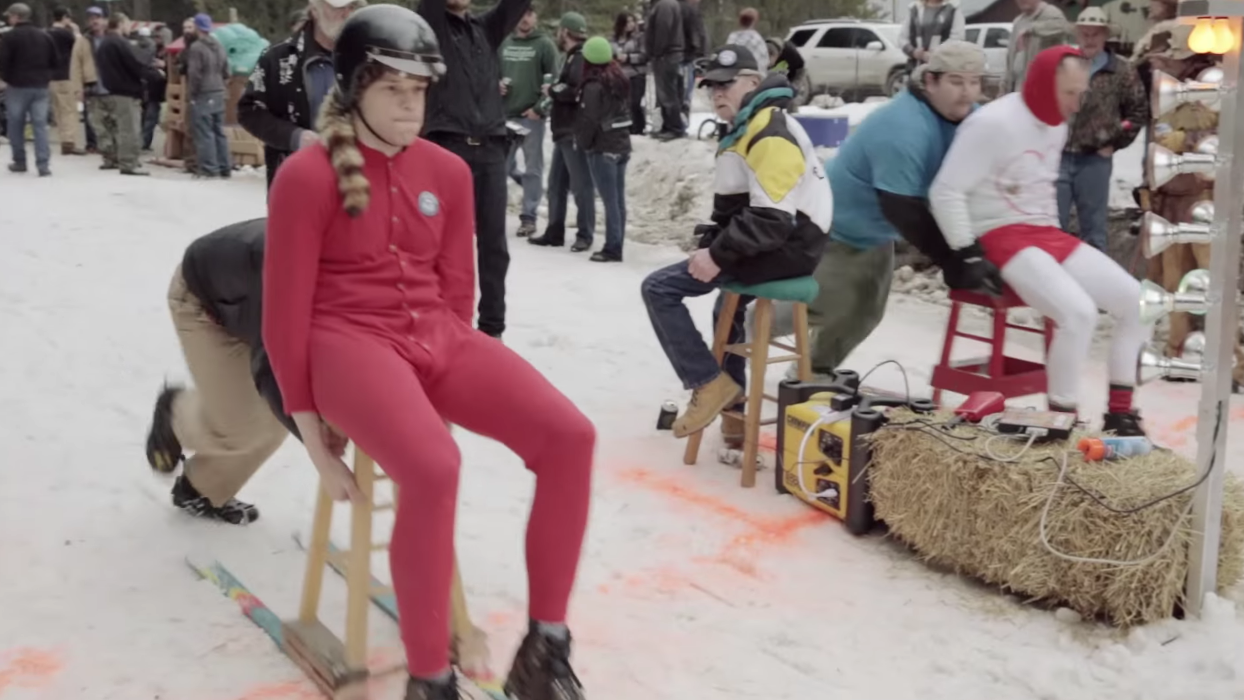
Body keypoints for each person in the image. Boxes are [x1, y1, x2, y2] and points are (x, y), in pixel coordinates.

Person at [261, 6, 594, 699]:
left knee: (571, 436)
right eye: (393, 91)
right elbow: (285, 314)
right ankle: (429, 678)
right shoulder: (309, 175)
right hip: (344, 340)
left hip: (432, 334)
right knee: (437, 468)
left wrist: (444, 379)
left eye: (419, 92)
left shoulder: (446, 170)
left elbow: (457, 291)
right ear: (355, 88)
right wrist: (314, 436)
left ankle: (547, 644)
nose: (411, 107)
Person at [142, 223, 497, 680]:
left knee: (269, 418)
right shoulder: (297, 270)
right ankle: (177, 415)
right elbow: (274, 366)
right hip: (209, 304)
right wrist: (320, 439)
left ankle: (200, 488)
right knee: (249, 423)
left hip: (252, 302)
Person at [929, 46, 1150, 435]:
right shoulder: (993, 124)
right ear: (1044, 85)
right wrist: (967, 252)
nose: (1077, 103)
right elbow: (945, 192)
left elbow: (1041, 187)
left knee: (1137, 302)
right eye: (1069, 92)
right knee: (1078, 313)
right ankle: (1059, 420)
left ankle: (1120, 414)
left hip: (1043, 230)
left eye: (1082, 93)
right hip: (996, 231)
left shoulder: (1057, 123)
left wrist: (1057, 243)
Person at [640, 46, 832, 438]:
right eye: (712, 87)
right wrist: (712, 241)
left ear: (753, 83)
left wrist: (717, 254)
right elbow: (738, 210)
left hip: (790, 247)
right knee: (725, 304)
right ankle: (733, 415)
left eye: (727, 84)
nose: (717, 93)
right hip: (782, 242)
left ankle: (709, 385)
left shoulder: (768, 130)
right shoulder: (747, 128)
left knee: (658, 288)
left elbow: (771, 219)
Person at [805, 41, 992, 379]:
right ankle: (741, 324)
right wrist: (952, 260)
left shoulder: (972, 119)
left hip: (875, 230)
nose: (967, 94)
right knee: (823, 306)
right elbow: (903, 208)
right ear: (931, 81)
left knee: (863, 314)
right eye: (956, 82)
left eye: (974, 82)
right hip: (833, 223)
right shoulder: (903, 126)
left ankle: (813, 371)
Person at [416, 0, 531, 341]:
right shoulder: (430, 27)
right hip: (448, 146)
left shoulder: (485, 28)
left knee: (495, 247)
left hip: (493, 148)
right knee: (445, 244)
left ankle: (492, 330)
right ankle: (446, 324)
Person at [1133, 21, 1222, 363]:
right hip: (1168, 198)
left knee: (1215, 282)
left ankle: (1235, 364)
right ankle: (1178, 351)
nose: (1156, 63)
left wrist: (1185, 143)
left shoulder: (1214, 86)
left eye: (1164, 58)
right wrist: (1147, 185)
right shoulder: (1165, 88)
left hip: (1204, 198)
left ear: (1183, 57)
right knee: (1173, 284)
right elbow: (1155, 142)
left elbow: (1223, 137)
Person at [237, 0, 364, 190]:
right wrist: (295, 137)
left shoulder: (368, 59)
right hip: (296, 183)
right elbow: (249, 111)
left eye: (352, 7)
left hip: (358, 185)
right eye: (338, 7)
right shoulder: (278, 59)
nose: (346, 13)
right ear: (314, 8)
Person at [1055, 8, 1145, 252]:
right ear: (1077, 34)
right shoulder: (1062, 64)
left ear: (1105, 35)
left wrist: (1114, 142)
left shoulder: (1122, 70)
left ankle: (1096, 286)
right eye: (1084, 33)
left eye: (1095, 33)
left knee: (1093, 230)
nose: (1089, 39)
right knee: (1052, 227)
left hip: (1094, 160)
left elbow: (1137, 112)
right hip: (1058, 157)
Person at [528, 13, 596, 252]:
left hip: (573, 131)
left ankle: (585, 233)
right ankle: (554, 230)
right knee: (556, 184)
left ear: (565, 32)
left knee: (581, 185)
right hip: (563, 132)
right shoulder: (571, 57)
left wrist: (552, 90)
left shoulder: (578, 58)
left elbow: (574, 89)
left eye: (559, 31)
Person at [500, 6, 559, 238]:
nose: (524, 19)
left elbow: (554, 80)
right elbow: (489, 71)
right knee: (500, 168)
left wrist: (539, 109)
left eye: (529, 14)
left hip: (530, 117)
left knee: (533, 167)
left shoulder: (544, 44)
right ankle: (493, 215)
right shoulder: (503, 42)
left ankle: (529, 217)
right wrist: (495, 84)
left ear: (535, 17)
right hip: (504, 116)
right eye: (520, 14)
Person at [576, 36, 632, 263]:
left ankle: (613, 247)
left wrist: (584, 143)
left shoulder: (592, 86)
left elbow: (589, 119)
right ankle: (617, 241)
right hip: (621, 144)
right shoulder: (619, 79)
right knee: (618, 200)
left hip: (603, 147)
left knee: (610, 201)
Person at [92, 12, 155, 175]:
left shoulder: (105, 43)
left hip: (112, 88)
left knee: (115, 127)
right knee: (130, 129)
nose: (129, 28)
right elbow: (136, 63)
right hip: (126, 90)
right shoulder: (120, 43)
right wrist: (151, 69)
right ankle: (128, 163)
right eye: (127, 24)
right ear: (120, 24)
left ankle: (117, 157)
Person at [0, 2, 59, 176]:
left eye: (10, 16)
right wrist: (46, 77)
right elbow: (55, 61)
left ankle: (20, 161)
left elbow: (3, 62)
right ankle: (43, 164)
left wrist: (5, 79)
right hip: (40, 86)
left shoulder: (10, 38)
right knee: (40, 125)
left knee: (15, 125)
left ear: (16, 17)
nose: (9, 19)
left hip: (17, 86)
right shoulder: (45, 36)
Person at [185, 13, 232, 178]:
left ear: (197, 27)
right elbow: (227, 71)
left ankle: (209, 169)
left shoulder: (197, 47)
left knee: (204, 132)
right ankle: (225, 167)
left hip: (204, 92)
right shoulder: (219, 45)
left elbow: (194, 74)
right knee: (218, 130)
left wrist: (192, 95)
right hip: (219, 91)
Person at [1003, 0, 1071, 93]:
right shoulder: (1018, 22)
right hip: (1019, 89)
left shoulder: (1051, 13)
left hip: (1043, 89)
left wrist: (1033, 29)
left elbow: (1064, 27)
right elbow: (1010, 60)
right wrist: (1004, 89)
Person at [48, 6, 85, 156]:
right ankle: (69, 141)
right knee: (69, 110)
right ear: (65, 18)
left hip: (50, 76)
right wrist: (76, 31)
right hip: (66, 74)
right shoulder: (66, 34)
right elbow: (80, 47)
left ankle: (63, 137)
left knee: (58, 109)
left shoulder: (46, 33)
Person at [645, 0, 684, 140]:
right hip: (668, 54)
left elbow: (663, 28)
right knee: (664, 93)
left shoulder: (665, 5)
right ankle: (667, 125)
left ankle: (675, 127)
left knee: (667, 93)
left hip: (666, 55)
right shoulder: (667, 4)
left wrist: (656, 52)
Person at [898, 0, 965, 69]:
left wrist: (936, 54)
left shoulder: (953, 8)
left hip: (943, 67)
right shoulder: (914, 8)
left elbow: (957, 38)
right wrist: (914, 52)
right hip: (917, 67)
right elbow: (903, 38)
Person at [611, 12, 648, 135]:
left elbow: (644, 56)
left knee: (635, 102)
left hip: (636, 73)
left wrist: (628, 58)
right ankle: (626, 126)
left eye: (632, 21)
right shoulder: (613, 39)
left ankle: (639, 126)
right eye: (628, 22)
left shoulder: (639, 38)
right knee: (622, 103)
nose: (631, 24)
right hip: (620, 74)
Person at [679, 0, 707, 115]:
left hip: (678, 56)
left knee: (680, 92)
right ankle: (683, 119)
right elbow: (699, 34)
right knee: (685, 93)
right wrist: (701, 52)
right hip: (687, 56)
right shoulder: (691, 11)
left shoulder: (675, 7)